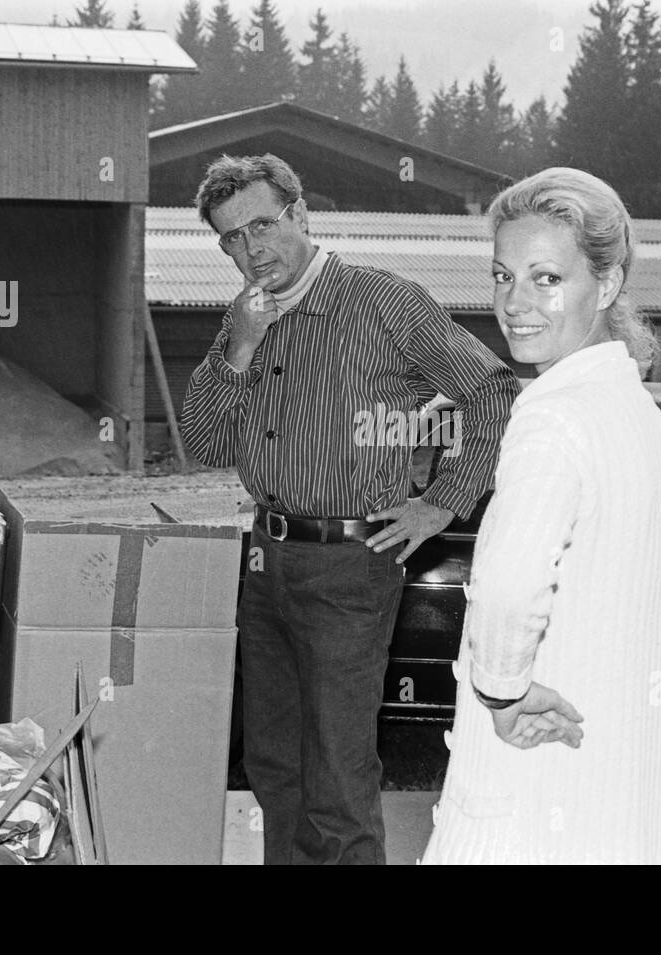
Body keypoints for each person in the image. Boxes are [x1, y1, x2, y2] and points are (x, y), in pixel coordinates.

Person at [181, 154, 521, 865]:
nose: (251, 249)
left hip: (349, 567)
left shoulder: (381, 302)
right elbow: (204, 440)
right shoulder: (247, 319)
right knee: (275, 766)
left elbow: (489, 390)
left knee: (337, 777)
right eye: (232, 239)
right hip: (265, 562)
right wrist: (240, 346)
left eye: (263, 226)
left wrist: (442, 503)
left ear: (301, 214)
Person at [421, 168, 661, 864]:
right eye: (501, 275)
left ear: (606, 286)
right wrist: (599, 645)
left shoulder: (552, 417)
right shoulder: (631, 406)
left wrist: (502, 690)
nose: (514, 302)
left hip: (530, 786)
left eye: (546, 278)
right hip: (618, 772)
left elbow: (507, 584)